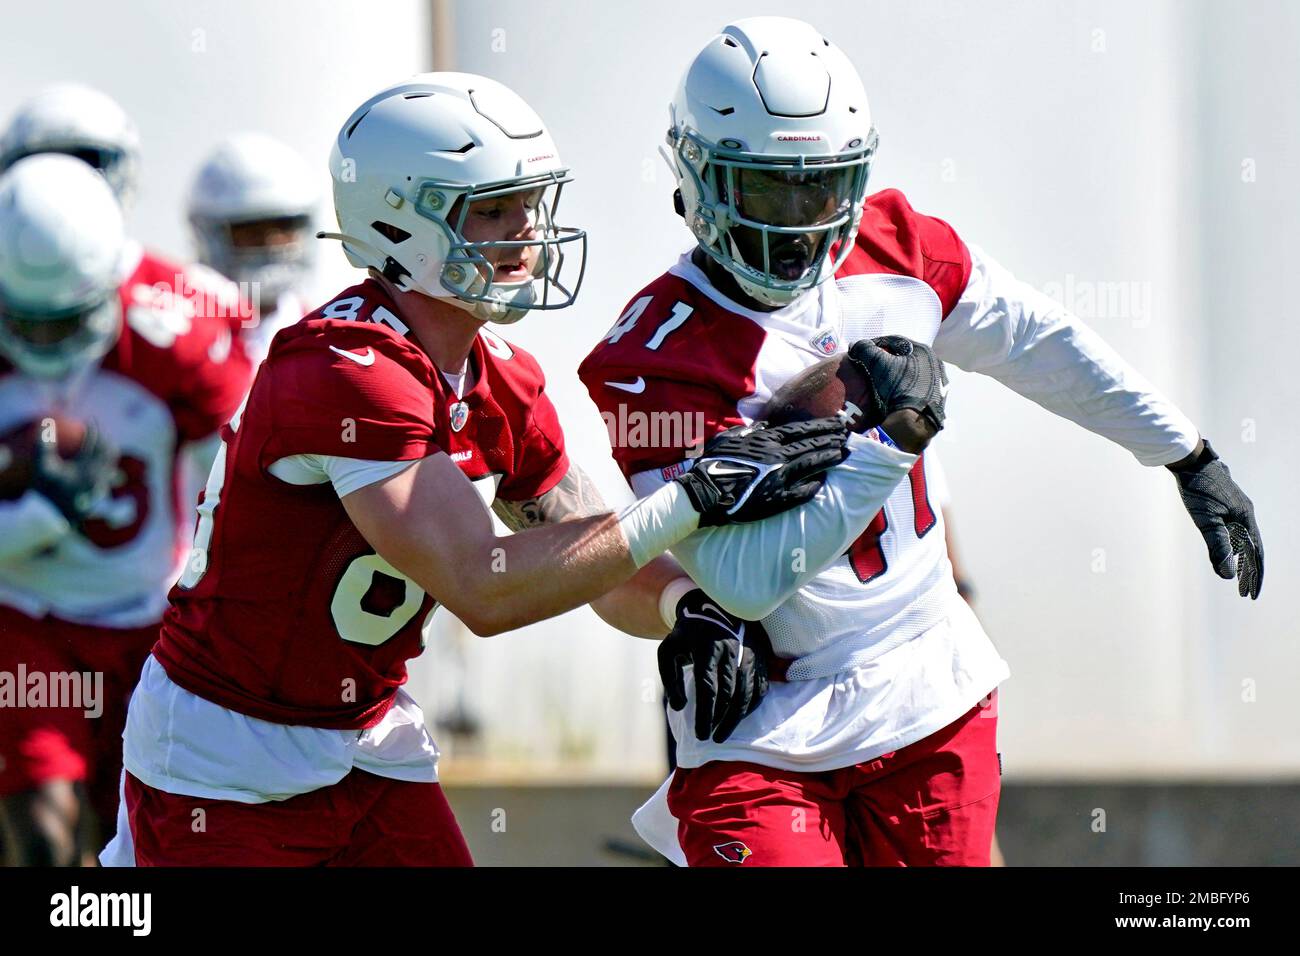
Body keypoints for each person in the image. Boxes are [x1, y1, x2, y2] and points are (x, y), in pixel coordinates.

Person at [99, 72, 848, 867]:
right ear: (397, 218)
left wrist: (685, 605)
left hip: (367, 731)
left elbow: (587, 548)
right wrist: (695, 498)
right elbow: (482, 584)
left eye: (531, 202)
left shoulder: (498, 375)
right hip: (228, 753)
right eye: (492, 208)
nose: (526, 231)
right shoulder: (347, 370)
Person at [579, 17, 1263, 867]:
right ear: (698, 176)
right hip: (761, 714)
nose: (797, 223)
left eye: (819, 190)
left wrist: (1186, 453)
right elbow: (745, 583)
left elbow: (1040, 341)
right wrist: (886, 445)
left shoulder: (897, 247)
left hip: (924, 687)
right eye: (768, 191)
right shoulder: (653, 355)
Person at [0, 155, 252, 865]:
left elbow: (240, 489)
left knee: (140, 838)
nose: (46, 344)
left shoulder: (178, 332)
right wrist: (42, 515)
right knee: (45, 840)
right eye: (28, 322)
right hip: (22, 617)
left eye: (66, 322)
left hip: (150, 618)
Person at [187, 132, 320, 365]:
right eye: (252, 230)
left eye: (286, 226)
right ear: (210, 235)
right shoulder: (179, 331)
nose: (274, 245)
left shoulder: (321, 336)